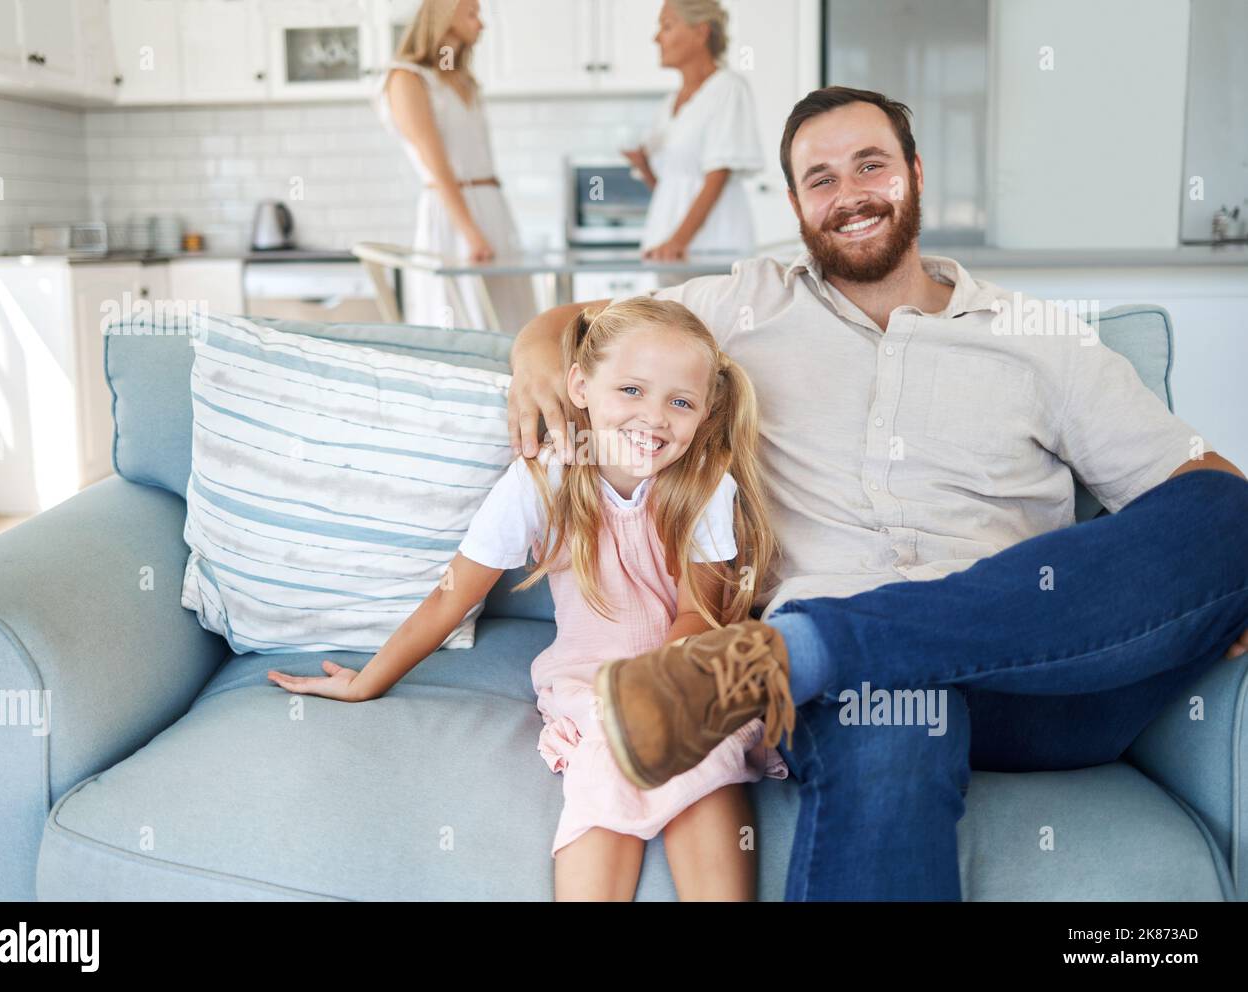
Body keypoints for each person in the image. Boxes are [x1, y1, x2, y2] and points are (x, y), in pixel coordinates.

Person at [507, 85, 1248, 900]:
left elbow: (1197, 492)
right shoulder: (746, 306)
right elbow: (577, 325)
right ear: (793, 204)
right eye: (820, 178)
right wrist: (537, 355)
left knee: (1229, 511)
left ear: (916, 174)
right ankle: (819, 654)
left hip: (1038, 676)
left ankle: (802, 652)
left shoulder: (1038, 339)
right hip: (865, 696)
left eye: (872, 165)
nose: (850, 192)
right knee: (897, 716)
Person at [268, 297, 791, 901]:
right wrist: (367, 682)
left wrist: (663, 689)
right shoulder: (543, 479)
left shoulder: (704, 484)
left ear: (703, 414)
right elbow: (450, 597)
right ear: (580, 385)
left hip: (686, 666)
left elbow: (696, 612)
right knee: (605, 761)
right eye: (631, 389)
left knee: (704, 760)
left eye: (680, 402)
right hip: (590, 680)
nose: (654, 418)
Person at [372, 0, 537, 332]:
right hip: (451, 214)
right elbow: (437, 165)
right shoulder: (407, 79)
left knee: (508, 315)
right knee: (460, 316)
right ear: (444, 16)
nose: (481, 24)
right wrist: (471, 233)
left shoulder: (465, 82)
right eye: (472, 14)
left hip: (491, 205)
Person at [623, 0, 764, 277]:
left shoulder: (727, 89)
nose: (656, 38)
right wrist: (643, 166)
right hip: (665, 249)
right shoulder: (668, 105)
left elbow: (718, 174)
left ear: (701, 32)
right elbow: (669, 189)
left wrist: (678, 242)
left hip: (708, 248)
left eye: (667, 26)